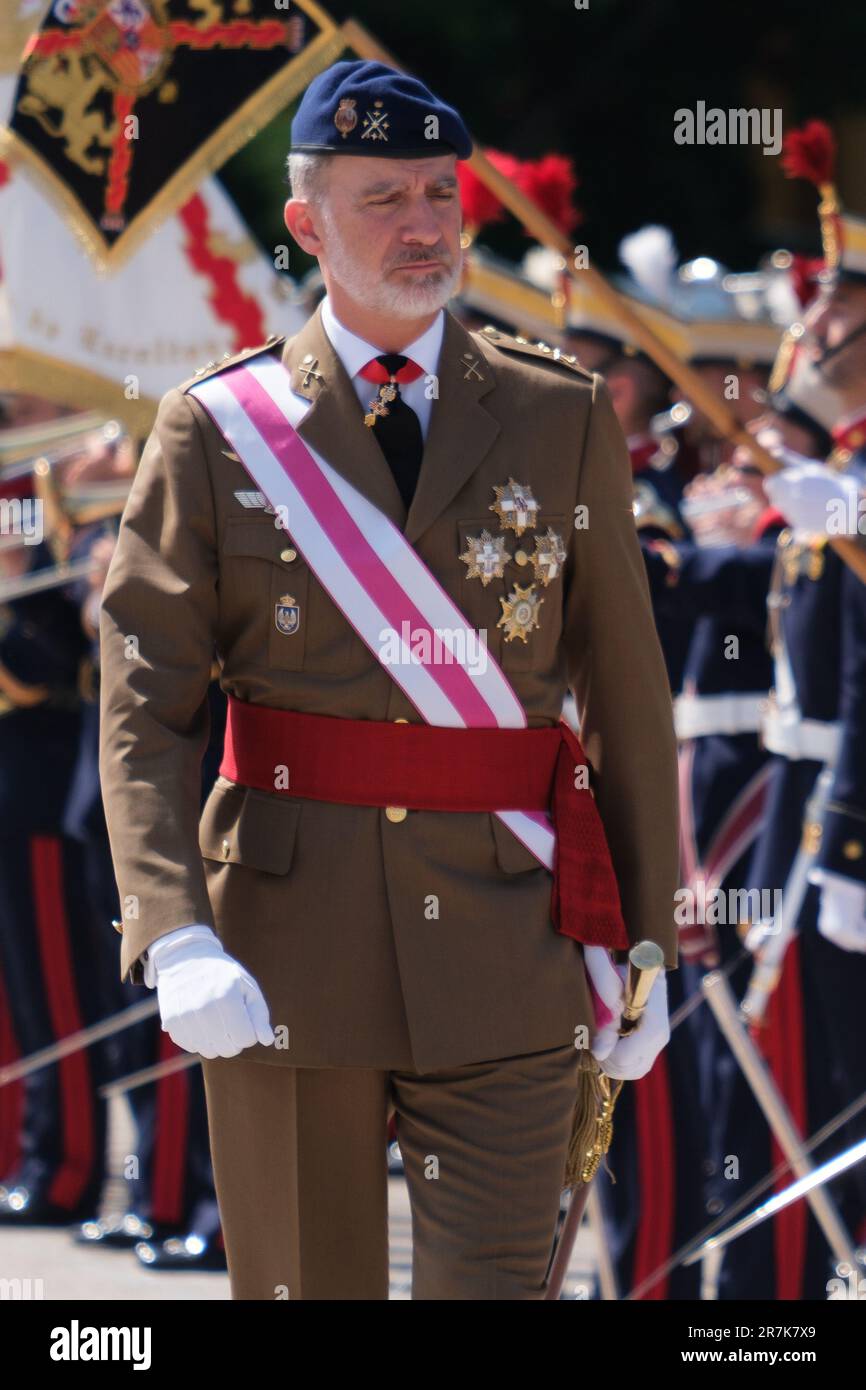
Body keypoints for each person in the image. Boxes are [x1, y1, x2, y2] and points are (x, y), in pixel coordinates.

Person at [98, 59, 679, 1301]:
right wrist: (171, 928)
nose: (423, 224)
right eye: (383, 199)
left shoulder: (555, 412)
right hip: (281, 947)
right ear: (306, 226)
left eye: (436, 192)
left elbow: (626, 694)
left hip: (511, 930)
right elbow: (146, 698)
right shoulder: (217, 429)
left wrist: (645, 937)